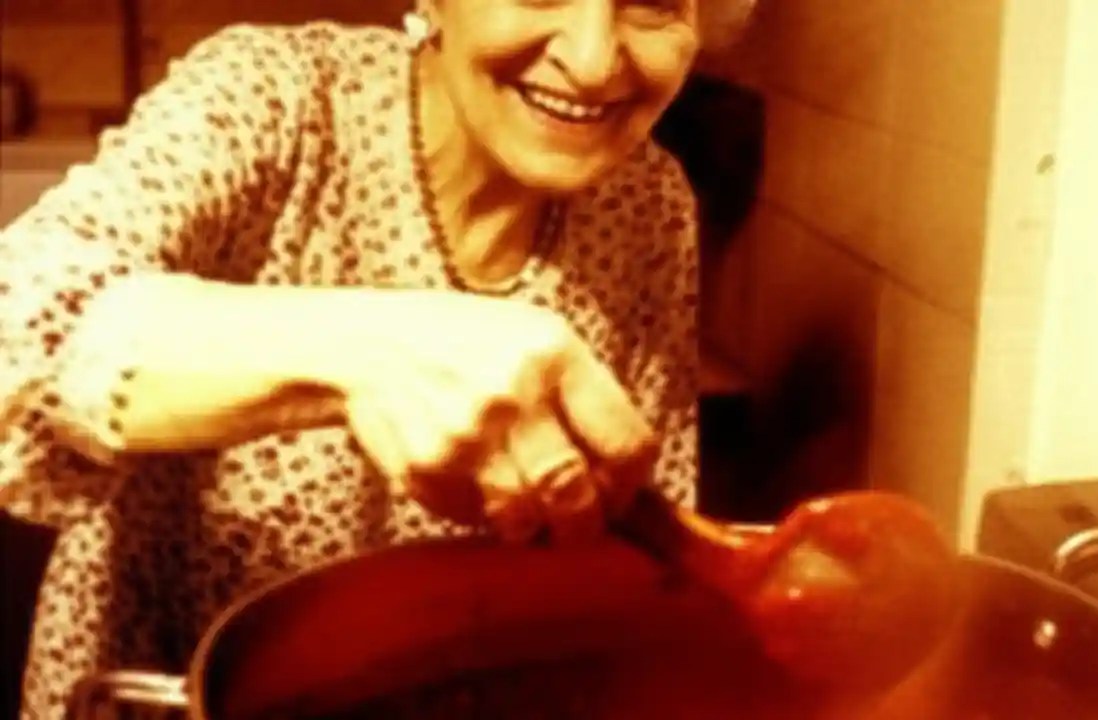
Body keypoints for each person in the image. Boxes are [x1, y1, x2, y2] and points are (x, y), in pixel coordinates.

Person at [0, 0, 729, 715]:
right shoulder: (275, 98)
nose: (595, 61)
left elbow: (639, 563)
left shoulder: (650, 204)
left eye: (655, 2)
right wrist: (377, 350)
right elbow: (18, 325)